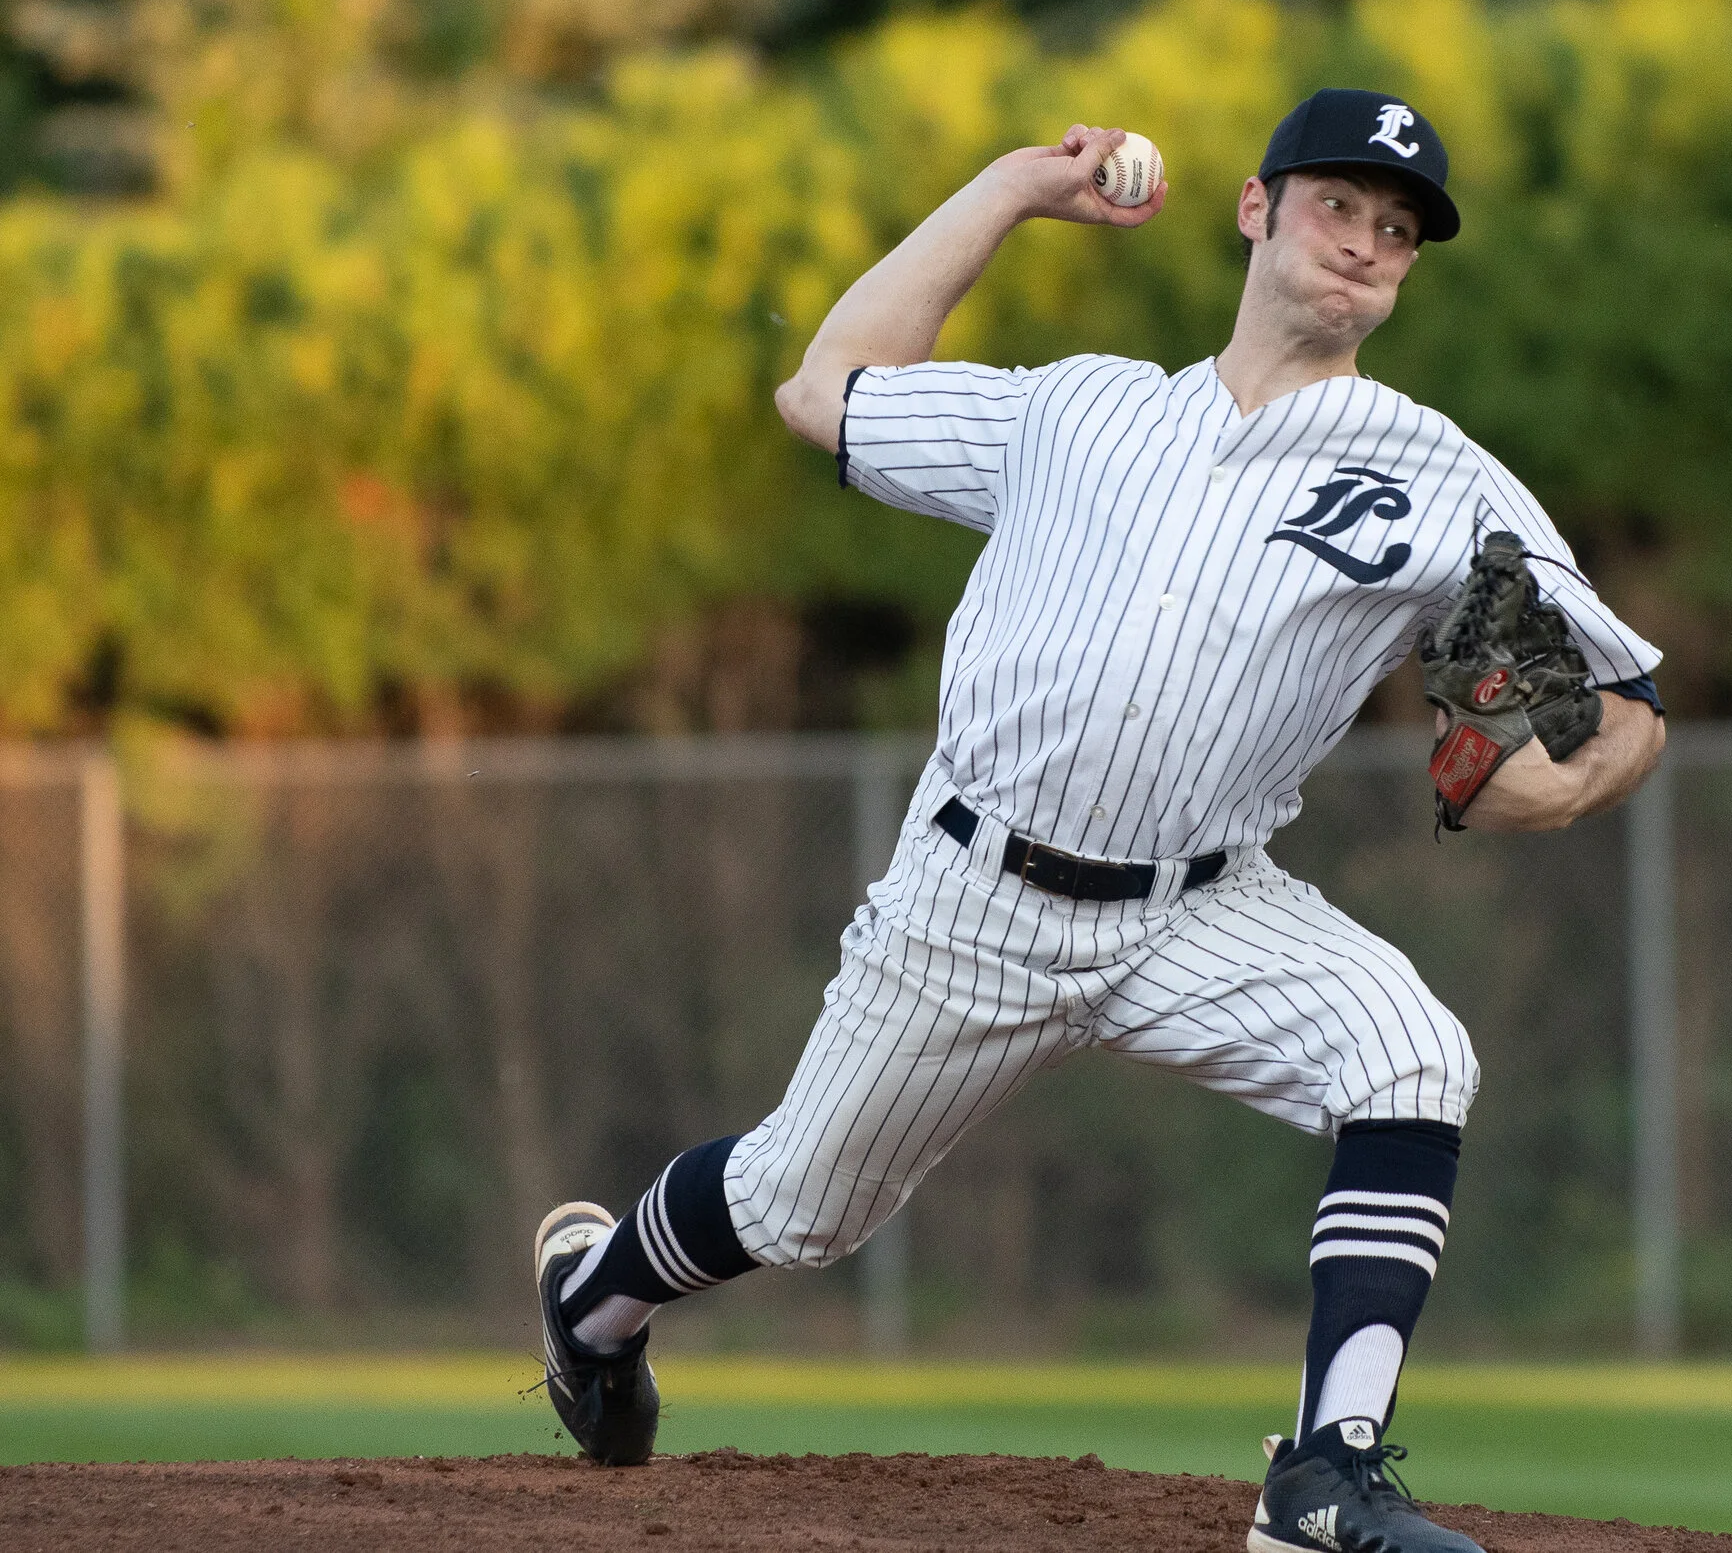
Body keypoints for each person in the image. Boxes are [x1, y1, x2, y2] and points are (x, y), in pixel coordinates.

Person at [533, 88, 1665, 1553]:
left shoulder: (1445, 478)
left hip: (1203, 906)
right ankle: (593, 1305)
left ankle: (1329, 1473)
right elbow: (826, 388)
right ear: (1256, 211)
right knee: (799, 1202)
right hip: (973, 900)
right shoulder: (1074, 409)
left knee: (1411, 1052)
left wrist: (1570, 780)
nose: (1367, 241)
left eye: (1398, 229)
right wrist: (1006, 188)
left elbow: (1629, 694)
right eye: (1338, 203)